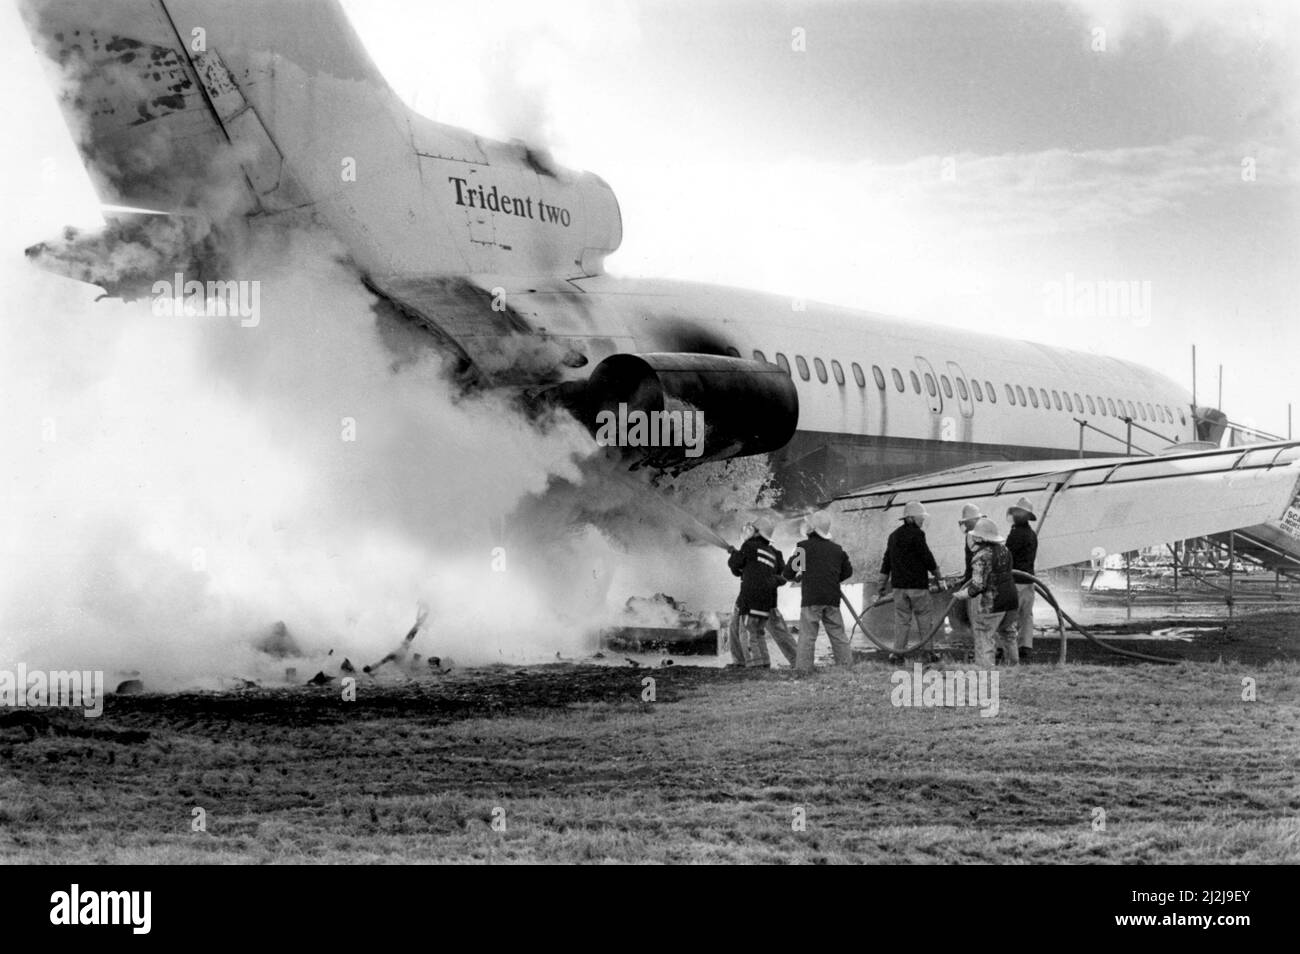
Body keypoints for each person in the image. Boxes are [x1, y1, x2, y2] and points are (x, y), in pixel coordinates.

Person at [782, 510, 854, 673]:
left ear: (811, 529)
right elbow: (848, 572)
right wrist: (832, 579)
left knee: (807, 635)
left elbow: (788, 573)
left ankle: (804, 670)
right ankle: (845, 667)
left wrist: (800, 576)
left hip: (811, 599)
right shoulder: (837, 549)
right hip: (832, 598)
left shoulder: (803, 548)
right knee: (837, 634)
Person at [874, 500, 943, 663]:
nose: (922, 521)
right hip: (918, 587)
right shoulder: (917, 535)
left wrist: (881, 585)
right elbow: (927, 557)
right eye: (921, 518)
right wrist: (939, 576)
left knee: (902, 622)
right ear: (911, 518)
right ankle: (928, 654)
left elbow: (886, 562)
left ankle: (898, 654)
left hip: (898, 588)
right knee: (924, 619)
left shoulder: (893, 536)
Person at [727, 516, 796, 669]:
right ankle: (744, 663)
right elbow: (783, 576)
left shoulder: (748, 546)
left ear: (756, 532)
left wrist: (733, 553)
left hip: (750, 597)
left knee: (748, 631)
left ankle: (753, 664)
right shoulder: (775, 553)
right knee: (742, 627)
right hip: (767, 598)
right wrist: (770, 581)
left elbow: (736, 567)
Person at [952, 518, 1019, 668]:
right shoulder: (1005, 550)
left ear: (980, 538)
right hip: (1011, 601)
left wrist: (962, 594)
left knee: (983, 634)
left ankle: (986, 671)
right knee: (1009, 634)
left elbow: (977, 586)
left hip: (992, 603)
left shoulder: (980, 557)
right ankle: (1014, 669)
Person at [1005, 496, 1039, 663]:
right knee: (1027, 615)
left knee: (1010, 615)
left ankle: (1006, 649)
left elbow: (1007, 556)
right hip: (1029, 581)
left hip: (1016, 581)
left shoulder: (1016, 534)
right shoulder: (1031, 534)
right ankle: (1026, 647)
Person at [947, 502, 985, 645]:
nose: (966, 525)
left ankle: (980, 648)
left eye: (967, 522)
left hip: (975, 584)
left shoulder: (974, 535)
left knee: (976, 617)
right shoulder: (982, 534)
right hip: (977, 582)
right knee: (979, 617)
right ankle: (983, 646)